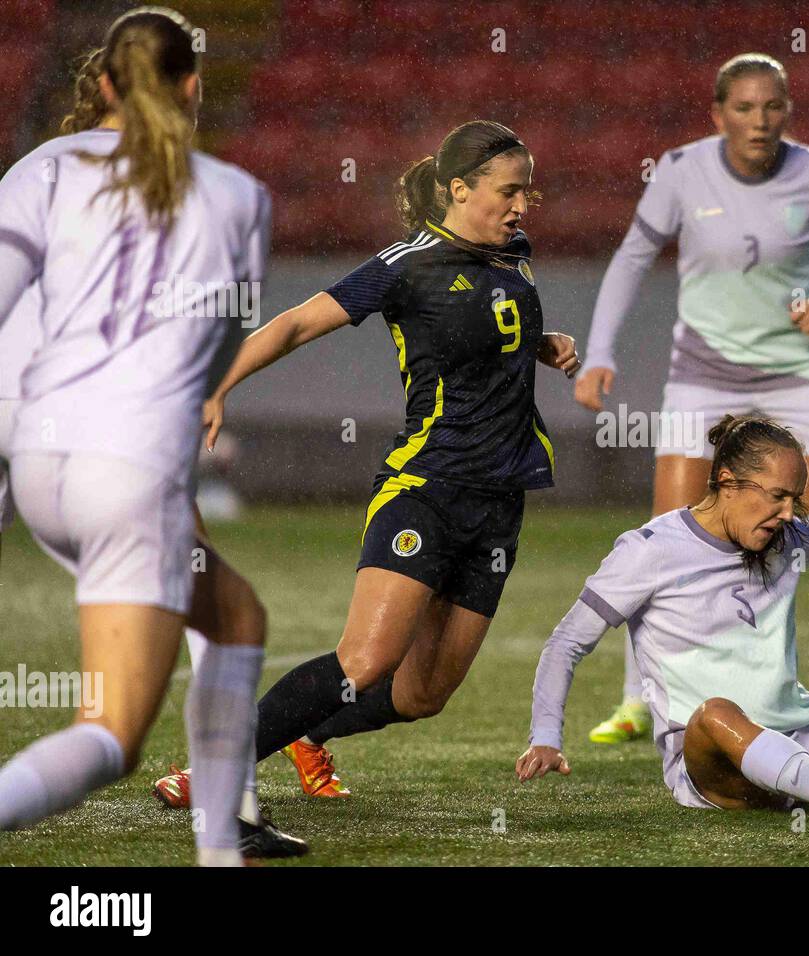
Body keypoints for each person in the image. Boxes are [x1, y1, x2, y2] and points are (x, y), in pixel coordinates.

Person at [154, 120, 579, 805]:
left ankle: (309, 736)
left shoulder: (513, 254)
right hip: (428, 486)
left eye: (528, 191)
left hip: (501, 503)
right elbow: (294, 322)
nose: (524, 206)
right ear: (460, 188)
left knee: (420, 695)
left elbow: (491, 323)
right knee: (366, 660)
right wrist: (219, 383)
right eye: (510, 191)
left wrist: (541, 342)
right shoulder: (404, 264)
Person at [0, 8, 275, 866]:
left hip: (35, 455)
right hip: (126, 468)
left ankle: (220, 846)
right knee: (112, 736)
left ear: (105, 82)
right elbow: (224, 340)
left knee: (234, 617)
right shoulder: (238, 195)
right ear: (194, 86)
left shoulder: (42, 172)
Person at [576, 53, 809, 745]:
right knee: (668, 531)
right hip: (703, 373)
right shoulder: (681, 171)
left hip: (803, 372)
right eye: (744, 108)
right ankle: (638, 700)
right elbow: (631, 258)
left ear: (788, 111)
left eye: (772, 106)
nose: (759, 120)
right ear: (718, 115)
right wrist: (600, 352)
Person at [517, 415, 809, 820]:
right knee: (714, 713)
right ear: (728, 482)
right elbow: (567, 642)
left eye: (794, 498)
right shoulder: (649, 550)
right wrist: (546, 737)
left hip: (805, 727)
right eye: (777, 496)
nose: (787, 513)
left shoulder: (783, 538)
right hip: (711, 757)